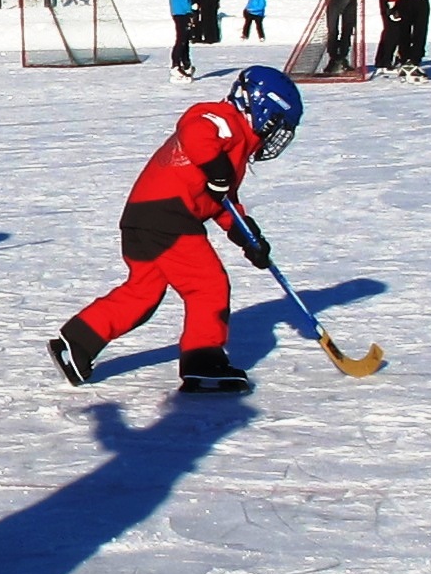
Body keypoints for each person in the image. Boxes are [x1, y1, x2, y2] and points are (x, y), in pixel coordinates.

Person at [50, 66, 303, 396]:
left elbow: (221, 201)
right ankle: (202, 362)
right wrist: (217, 169)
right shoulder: (224, 119)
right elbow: (195, 130)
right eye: (276, 127)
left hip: (144, 216)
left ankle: (77, 342)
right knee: (207, 284)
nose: (274, 138)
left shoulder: (235, 151)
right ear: (262, 110)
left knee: (142, 293)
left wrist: (248, 237)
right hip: (167, 214)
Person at [166, 0, 197, 79]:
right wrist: (189, 11)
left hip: (181, 11)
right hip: (181, 12)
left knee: (185, 39)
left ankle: (186, 64)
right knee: (181, 39)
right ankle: (175, 65)